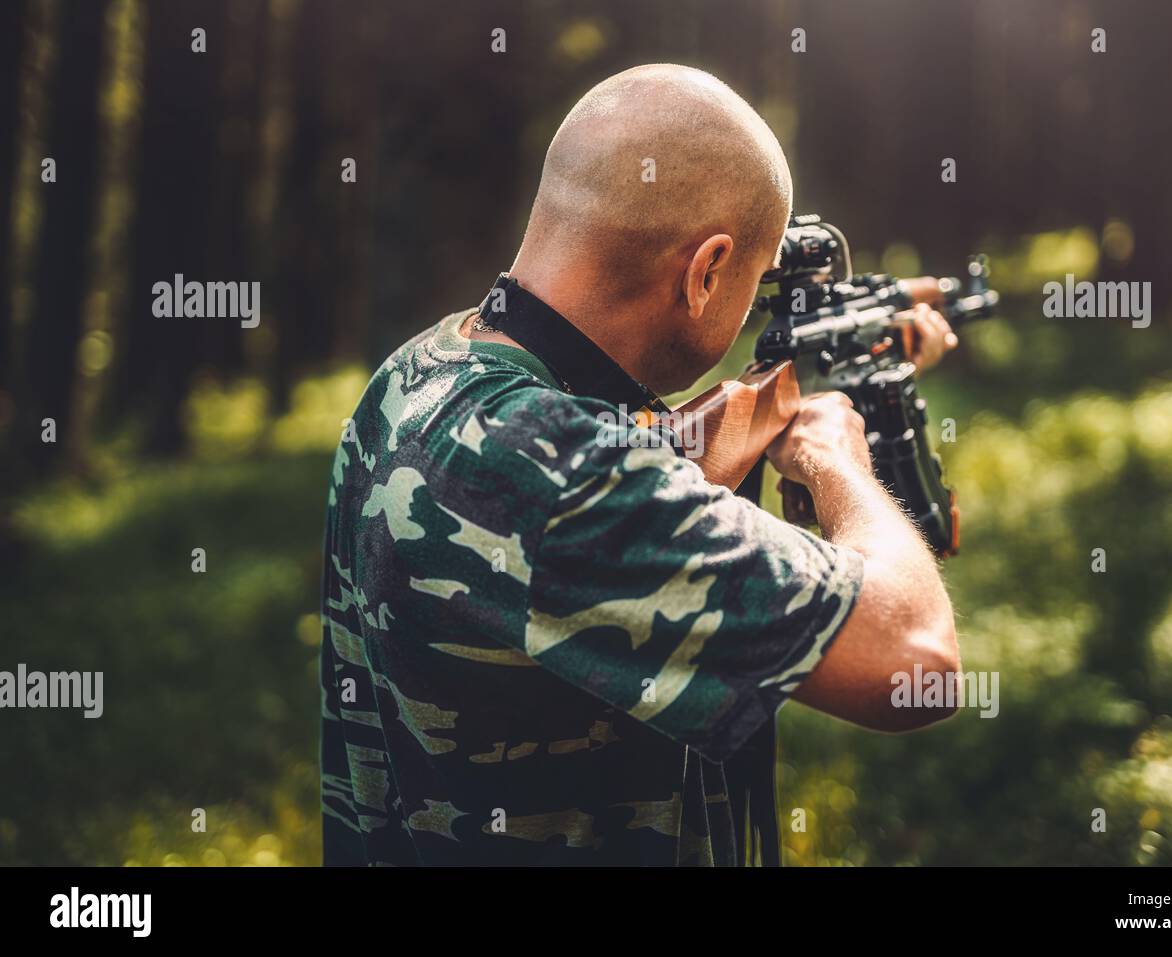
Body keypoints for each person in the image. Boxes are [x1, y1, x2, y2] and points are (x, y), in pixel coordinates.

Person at [320, 63, 960, 866]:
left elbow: (586, 494)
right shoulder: (564, 473)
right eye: (753, 287)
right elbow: (917, 660)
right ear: (706, 270)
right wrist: (841, 464)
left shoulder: (422, 370)